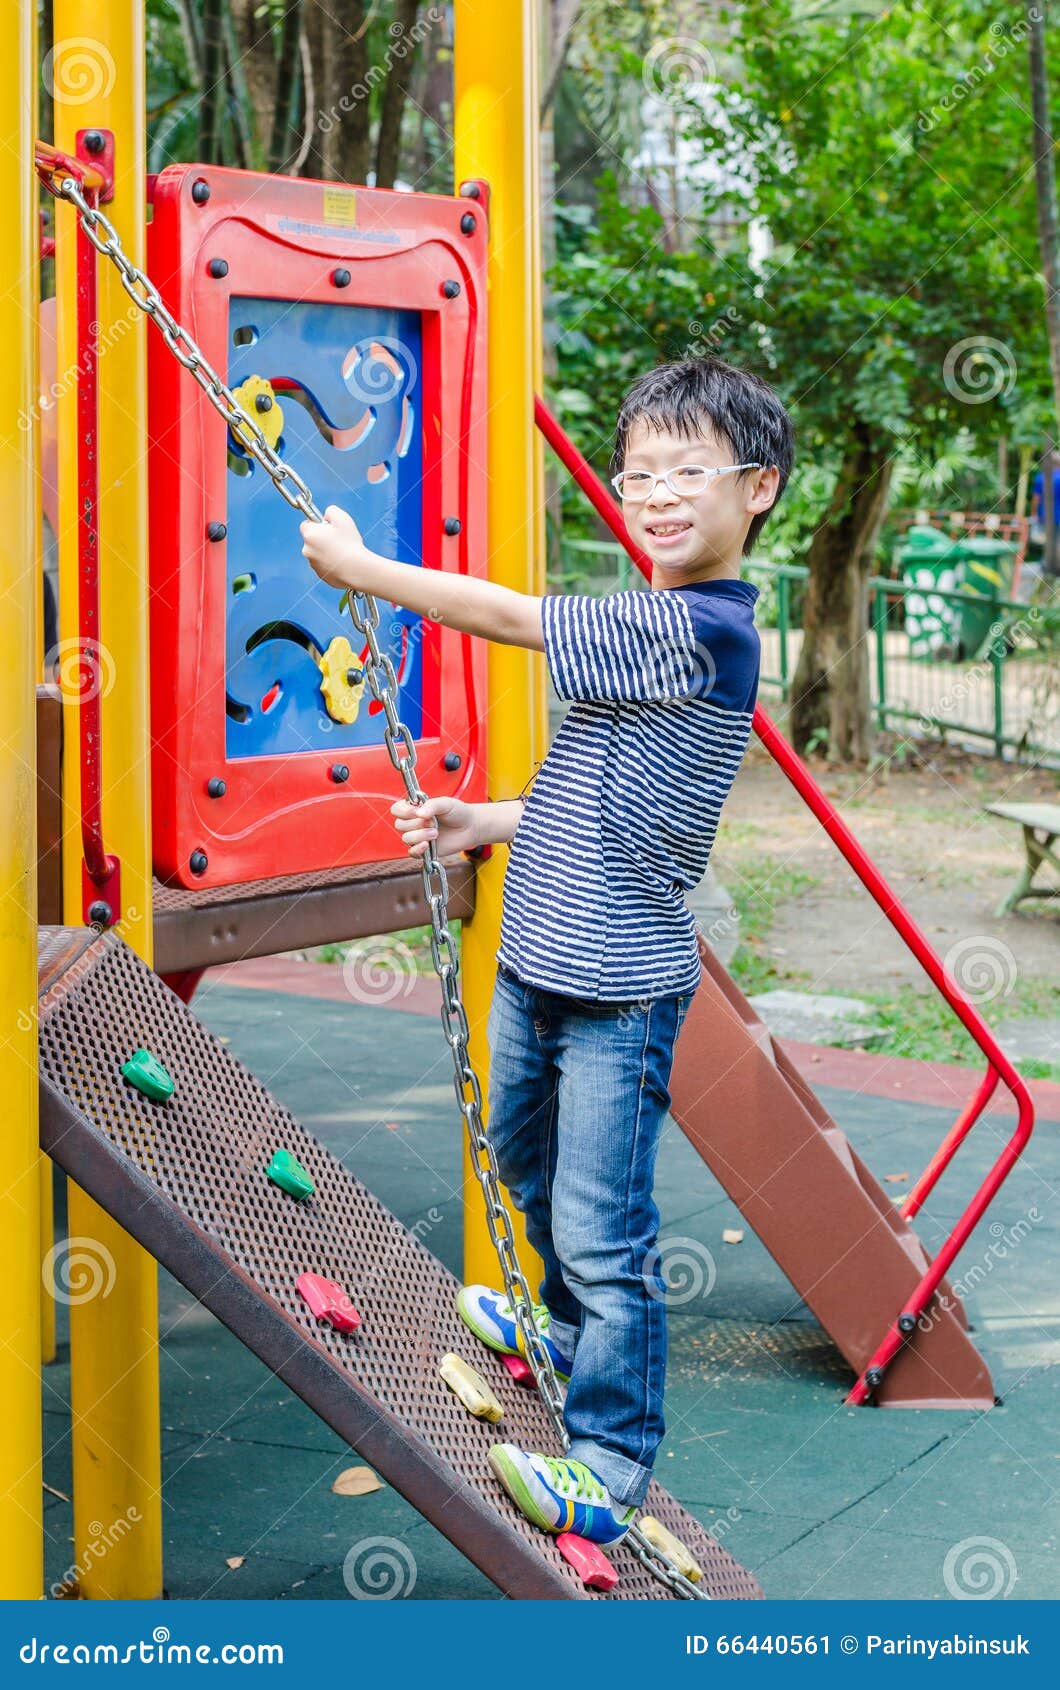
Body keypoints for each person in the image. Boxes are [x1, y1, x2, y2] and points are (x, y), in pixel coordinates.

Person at [301, 356, 795, 1546]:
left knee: (600, 1228)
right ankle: (562, 1330)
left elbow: (517, 618)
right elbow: (602, 788)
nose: (658, 495)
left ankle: (609, 1462)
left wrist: (369, 574)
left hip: (621, 991)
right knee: (523, 1165)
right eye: (638, 477)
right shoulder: (648, 633)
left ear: (758, 488)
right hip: (535, 963)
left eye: (688, 472)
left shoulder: (702, 628)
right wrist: (486, 820)